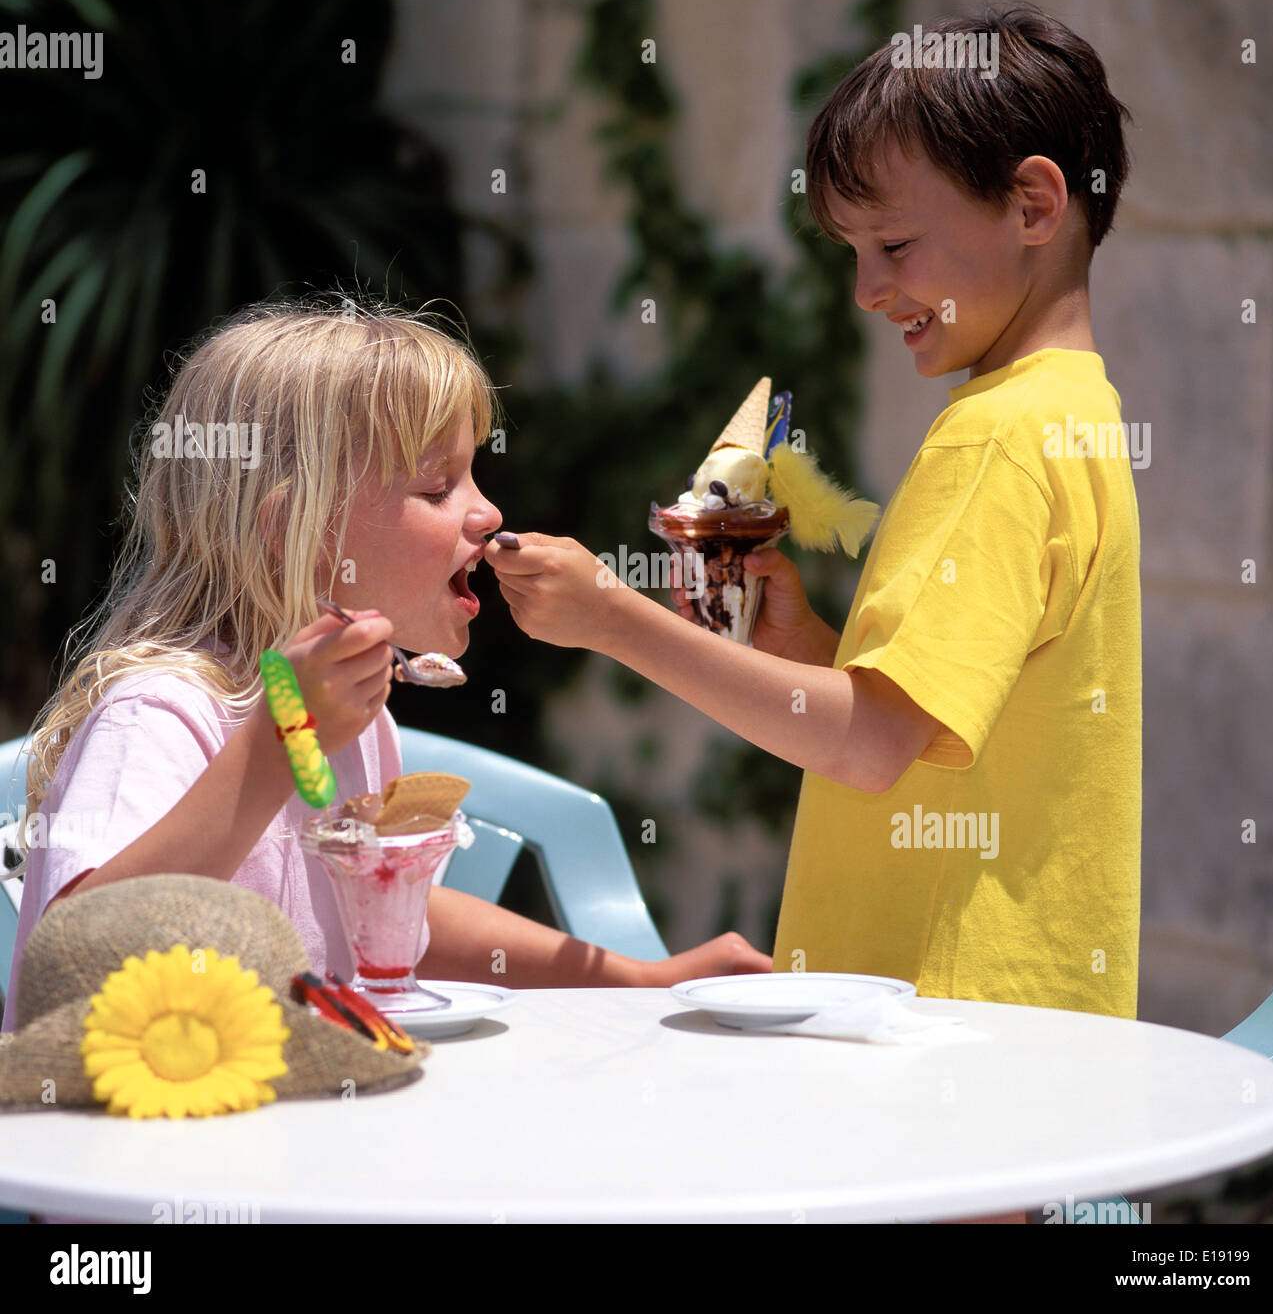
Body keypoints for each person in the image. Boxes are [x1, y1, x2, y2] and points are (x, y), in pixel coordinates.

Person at [488, 1, 1140, 1151]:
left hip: (938, 1045)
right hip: (1015, 1033)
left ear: (1035, 205)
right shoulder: (1073, 417)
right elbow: (913, 727)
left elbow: (868, 746)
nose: (866, 290)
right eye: (852, 254)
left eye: (893, 246)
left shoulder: (994, 440)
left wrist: (610, 618)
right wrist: (801, 645)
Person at [3, 298, 771, 1033]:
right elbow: (76, 960)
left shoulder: (358, 723)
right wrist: (283, 741)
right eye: (437, 487)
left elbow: (386, 912)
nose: (488, 513)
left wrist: (636, 978)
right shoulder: (159, 716)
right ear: (294, 532)